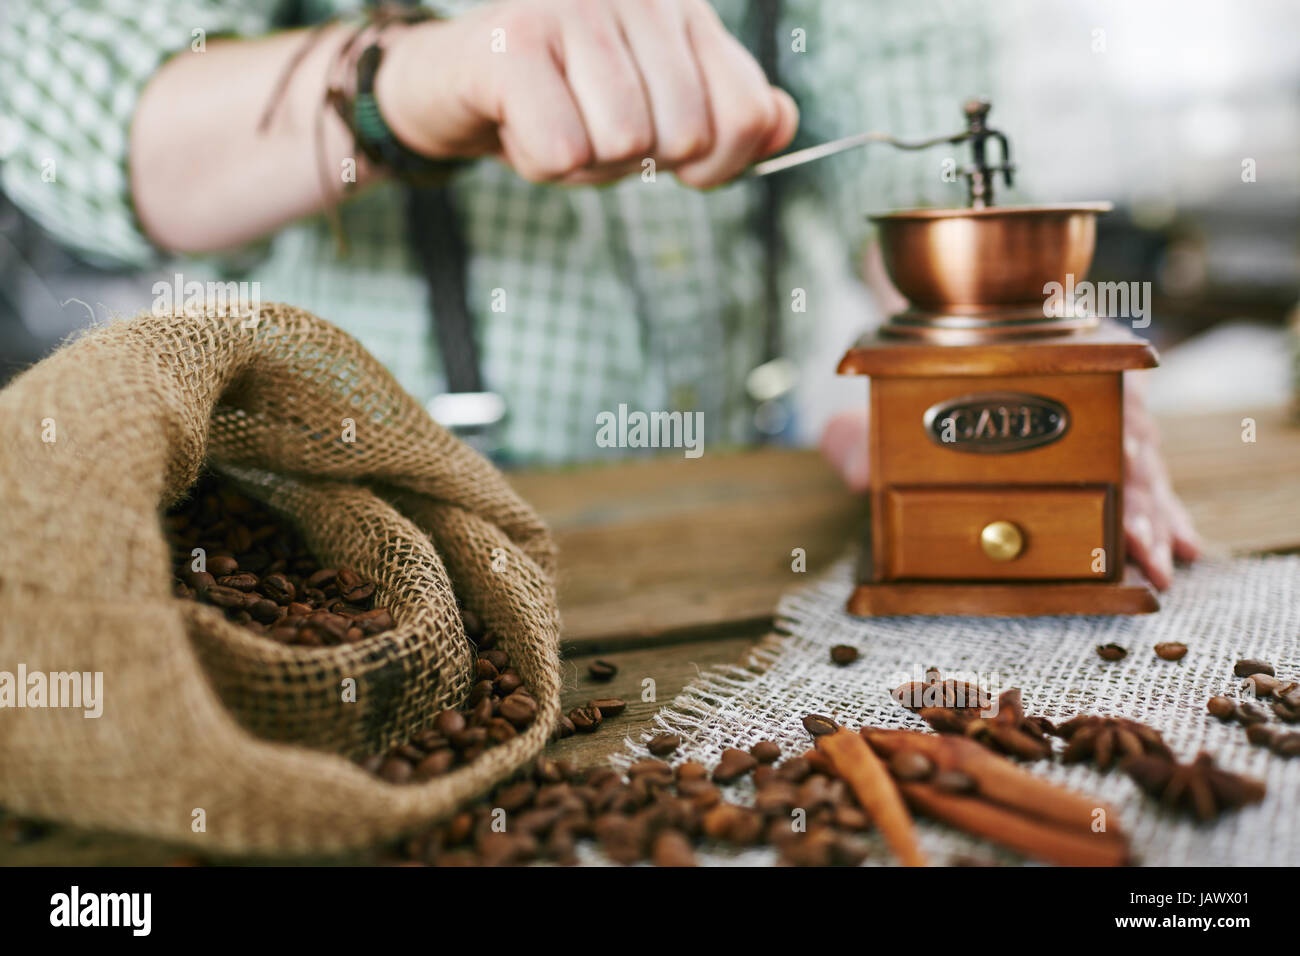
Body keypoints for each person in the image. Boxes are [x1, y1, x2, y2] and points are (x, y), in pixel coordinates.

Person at [0, 0, 1199, 586]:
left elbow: (917, 80)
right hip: (353, 541)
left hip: (736, 500)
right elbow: (88, 134)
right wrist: (408, 82)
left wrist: (1008, 356)